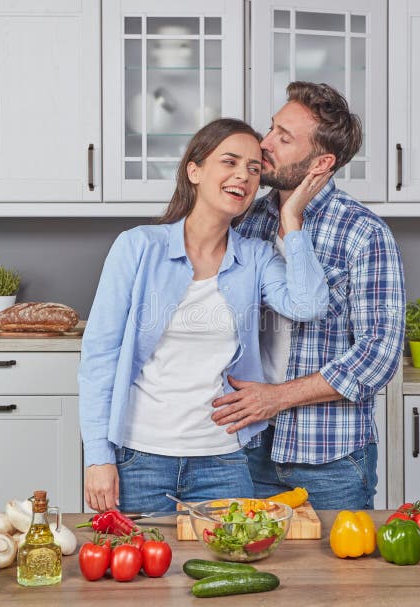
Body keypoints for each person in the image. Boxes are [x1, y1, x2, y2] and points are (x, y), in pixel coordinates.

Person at [78, 118, 331, 513]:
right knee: (144, 556)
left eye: (253, 168)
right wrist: (98, 457)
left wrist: (292, 219)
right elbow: (99, 357)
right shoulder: (138, 247)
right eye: (229, 162)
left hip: (223, 461)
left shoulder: (255, 257)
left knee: (229, 555)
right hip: (140, 458)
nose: (243, 176)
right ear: (194, 171)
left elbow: (308, 304)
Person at [212, 82, 406, 510]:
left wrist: (276, 397)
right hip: (247, 447)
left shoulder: (364, 233)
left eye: (284, 138)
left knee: (336, 559)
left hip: (329, 460)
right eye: (271, 129)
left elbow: (379, 355)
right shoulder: (245, 221)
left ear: (321, 163)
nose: (264, 144)